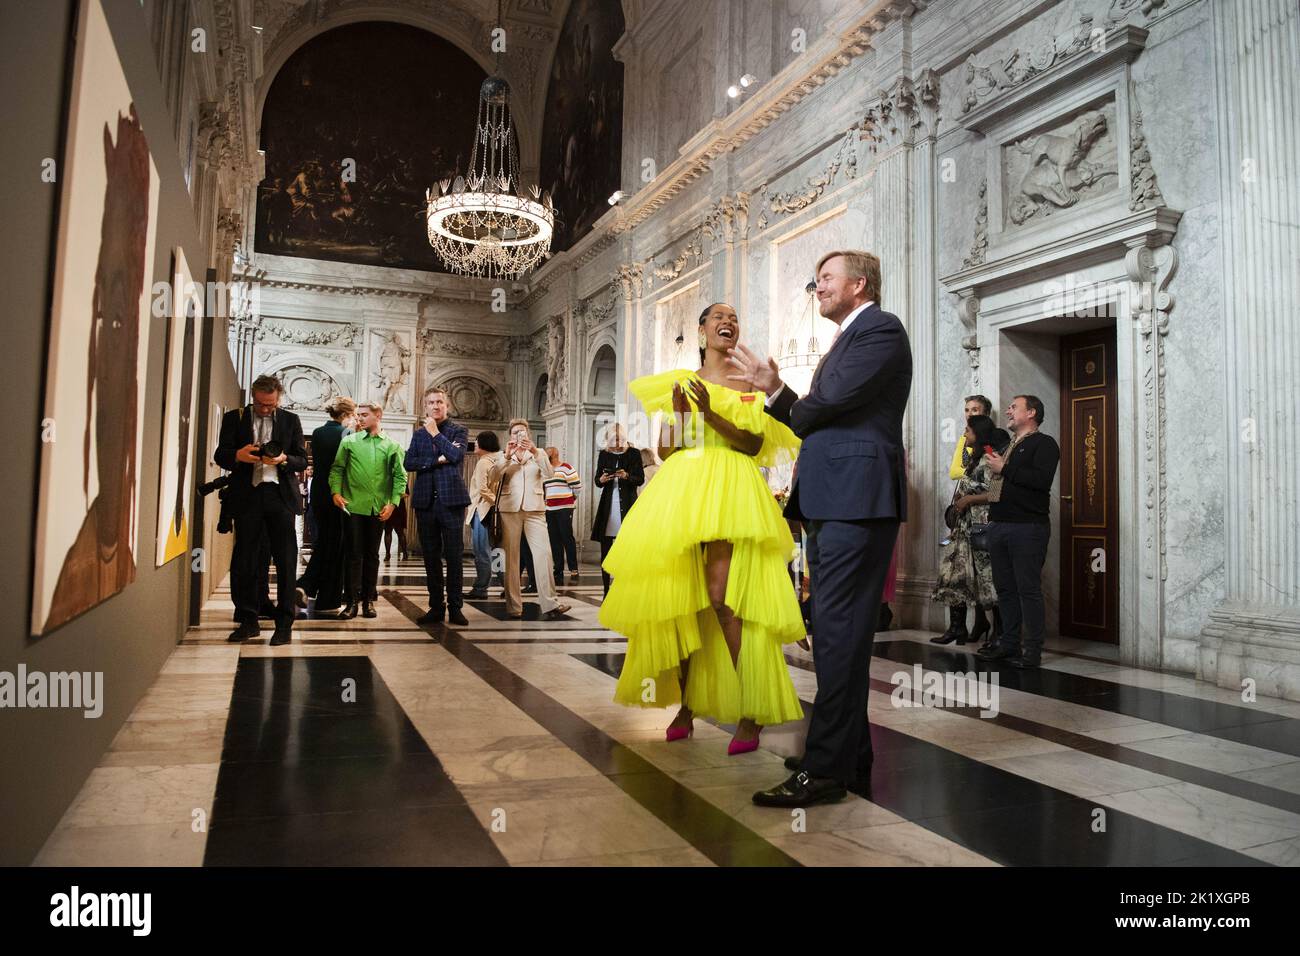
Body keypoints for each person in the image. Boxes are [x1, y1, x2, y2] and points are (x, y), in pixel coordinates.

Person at [727, 249, 912, 807]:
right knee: (838, 634)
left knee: (837, 632)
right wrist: (782, 393)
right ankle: (848, 755)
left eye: (826, 279)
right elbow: (820, 411)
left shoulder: (880, 329)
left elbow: (821, 408)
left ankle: (826, 769)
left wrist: (777, 392)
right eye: (816, 281)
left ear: (860, 284)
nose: (818, 287)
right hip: (840, 500)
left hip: (859, 499)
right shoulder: (849, 337)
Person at [601, 302, 805, 754]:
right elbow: (667, 451)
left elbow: (753, 444)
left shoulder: (750, 382)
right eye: (719, 318)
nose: (728, 322)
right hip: (681, 493)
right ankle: (687, 706)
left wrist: (711, 415)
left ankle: (752, 714)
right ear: (701, 332)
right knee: (685, 603)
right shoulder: (683, 383)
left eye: (735, 317)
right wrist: (683, 415)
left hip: (731, 492)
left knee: (723, 601)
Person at [214, 374, 309, 646]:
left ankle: (284, 624)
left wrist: (282, 459)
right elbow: (221, 453)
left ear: (278, 399)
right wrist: (237, 455)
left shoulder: (290, 420)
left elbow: (301, 460)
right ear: (253, 397)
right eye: (260, 404)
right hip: (248, 494)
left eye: (271, 405)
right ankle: (248, 620)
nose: (265, 409)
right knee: (245, 559)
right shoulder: (236, 417)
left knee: (286, 559)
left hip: (279, 496)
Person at [977, 394, 1060, 669]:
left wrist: (1005, 467)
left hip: (1028, 527)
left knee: (1028, 589)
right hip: (1000, 525)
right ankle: (1009, 643)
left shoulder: (1044, 444)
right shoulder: (1010, 445)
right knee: (1005, 589)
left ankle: (1032, 650)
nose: (1009, 411)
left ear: (1032, 413)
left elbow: (1040, 481)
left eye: (1015, 407)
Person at [330, 402, 407, 620]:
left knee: (372, 555)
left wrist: (392, 503)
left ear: (378, 415)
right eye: (358, 415)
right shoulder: (349, 441)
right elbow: (337, 469)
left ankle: (368, 602)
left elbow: (400, 477)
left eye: (364, 415)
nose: (360, 419)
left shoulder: (392, 445)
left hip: (378, 508)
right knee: (353, 554)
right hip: (352, 505)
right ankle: (351, 602)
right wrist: (335, 492)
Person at [488, 420, 571, 620]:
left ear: (529, 435)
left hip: (535, 510)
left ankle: (550, 603)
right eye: (515, 432)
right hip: (509, 510)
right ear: (510, 436)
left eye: (523, 432)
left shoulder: (539, 453)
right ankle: (514, 607)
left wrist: (535, 451)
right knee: (511, 560)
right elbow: (492, 478)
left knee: (544, 554)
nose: (519, 436)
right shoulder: (502, 456)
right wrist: (507, 457)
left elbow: (550, 474)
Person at [930, 414, 1001, 644]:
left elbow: (996, 493)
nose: (964, 435)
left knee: (988, 579)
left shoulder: (991, 457)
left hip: (981, 528)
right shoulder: (974, 458)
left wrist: (970, 500)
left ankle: (1001, 633)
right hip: (963, 528)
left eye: (968, 431)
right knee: (955, 575)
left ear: (978, 434)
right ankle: (957, 627)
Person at [405, 386, 471, 626]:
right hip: (425, 503)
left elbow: (455, 456)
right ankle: (436, 607)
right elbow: (408, 462)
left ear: (447, 405)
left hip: (451, 501)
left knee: (453, 556)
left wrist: (436, 435)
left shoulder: (458, 430)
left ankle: (455, 608)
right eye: (431, 402)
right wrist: (435, 460)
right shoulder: (418, 434)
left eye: (439, 402)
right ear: (425, 406)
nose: (435, 406)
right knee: (430, 558)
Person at [295, 397, 355, 615]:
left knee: (326, 542)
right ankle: (311, 587)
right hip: (338, 493)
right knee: (335, 545)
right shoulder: (347, 434)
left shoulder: (319, 432)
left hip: (319, 493)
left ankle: (325, 598)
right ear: (348, 414)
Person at [590, 424, 643, 596]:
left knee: (627, 547)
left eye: (619, 439)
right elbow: (597, 481)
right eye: (613, 440)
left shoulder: (634, 453)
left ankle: (624, 587)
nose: (617, 442)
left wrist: (626, 475)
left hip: (627, 504)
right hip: (608, 506)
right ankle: (606, 590)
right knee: (605, 549)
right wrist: (603, 478)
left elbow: (640, 479)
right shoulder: (604, 454)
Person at [465, 430, 502, 599]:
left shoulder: (483, 462)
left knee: (481, 552)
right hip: (497, 512)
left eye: (478, 441)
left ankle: (480, 589)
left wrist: (496, 501)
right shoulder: (501, 459)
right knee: (498, 552)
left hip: (482, 510)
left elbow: (482, 489)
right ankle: (508, 586)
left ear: (485, 444)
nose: (475, 444)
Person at [543, 446, 582, 585]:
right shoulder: (545, 471)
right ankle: (557, 568)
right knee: (554, 539)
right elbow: (543, 489)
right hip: (550, 509)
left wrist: (570, 500)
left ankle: (573, 568)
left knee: (567, 537)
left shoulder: (566, 468)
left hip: (565, 508)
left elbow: (577, 487)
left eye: (547, 454)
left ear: (554, 455)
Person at [382, 491, 409, 560]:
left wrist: (394, 498)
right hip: (387, 507)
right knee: (387, 531)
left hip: (398, 507)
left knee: (400, 532)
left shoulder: (401, 480)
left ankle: (405, 553)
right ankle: (387, 554)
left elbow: (406, 494)